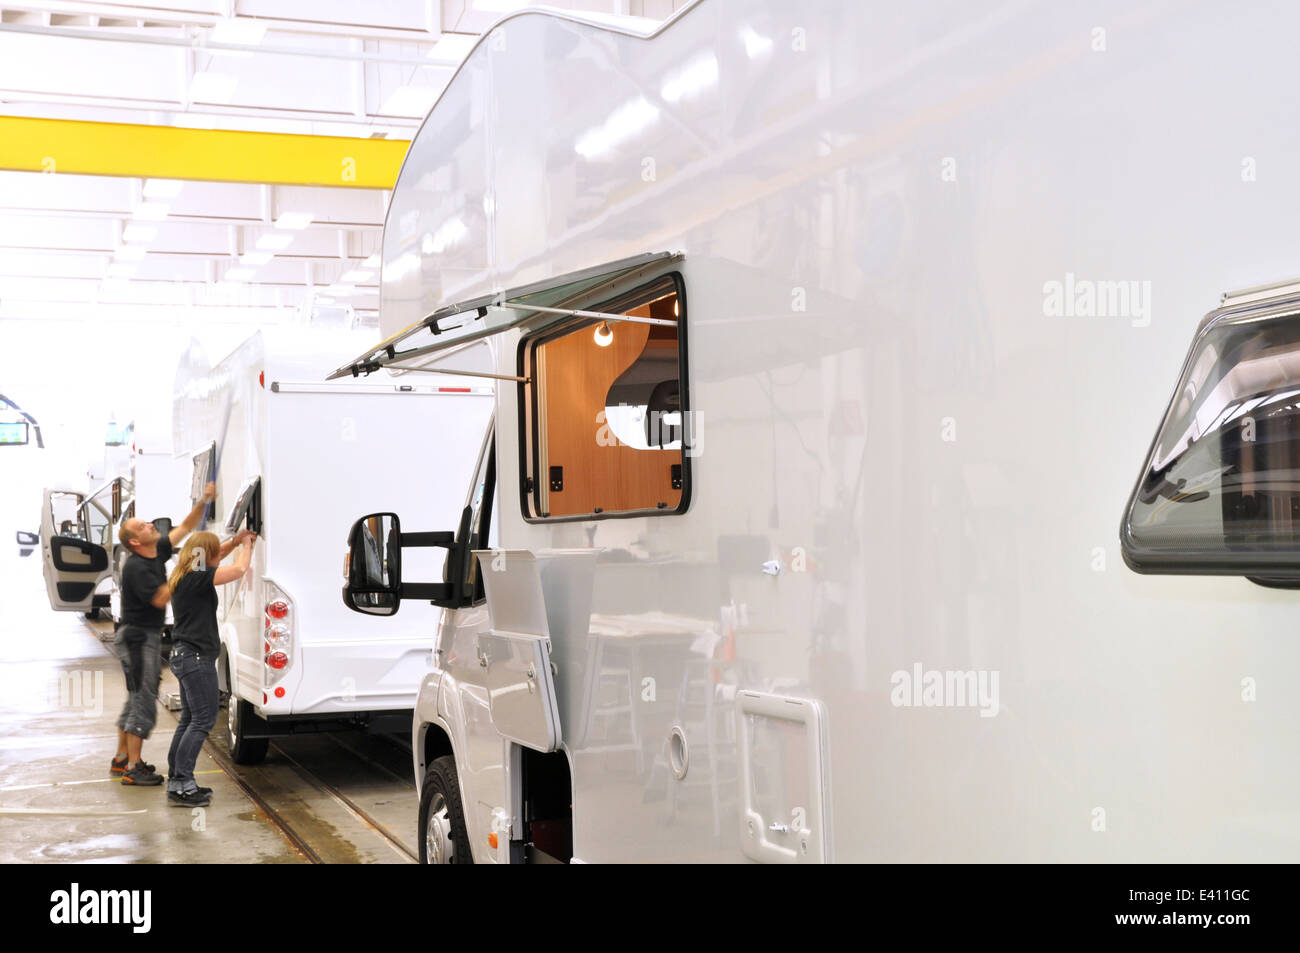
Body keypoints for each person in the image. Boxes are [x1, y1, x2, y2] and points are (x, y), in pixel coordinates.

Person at [111, 481, 215, 786]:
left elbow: (185, 526)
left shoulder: (154, 552)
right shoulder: (136, 569)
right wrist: (185, 573)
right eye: (142, 526)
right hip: (138, 639)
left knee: (134, 700)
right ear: (135, 542)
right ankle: (133, 767)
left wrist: (205, 500)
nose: (149, 525)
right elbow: (159, 598)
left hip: (143, 636)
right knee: (143, 702)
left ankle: (120, 760)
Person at [165, 529, 255, 806]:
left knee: (189, 719)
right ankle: (183, 784)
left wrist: (235, 541)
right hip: (195, 659)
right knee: (203, 720)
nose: (218, 554)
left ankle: (177, 780)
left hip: (184, 656)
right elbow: (239, 569)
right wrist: (248, 545)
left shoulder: (186, 575)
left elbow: (218, 556)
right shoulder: (198, 578)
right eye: (214, 551)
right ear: (205, 556)